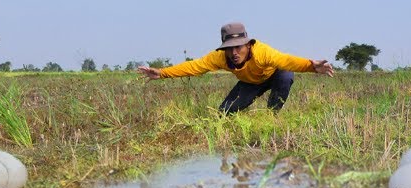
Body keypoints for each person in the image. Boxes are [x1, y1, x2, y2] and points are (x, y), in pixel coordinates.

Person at [137, 22, 334, 114]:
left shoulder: (263, 52)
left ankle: (271, 116)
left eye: (238, 47)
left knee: (285, 75)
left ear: (248, 44)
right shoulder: (220, 57)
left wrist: (311, 66)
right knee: (224, 113)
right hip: (250, 82)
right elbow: (194, 66)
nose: (234, 53)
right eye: (229, 49)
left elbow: (286, 61)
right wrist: (162, 73)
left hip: (273, 75)